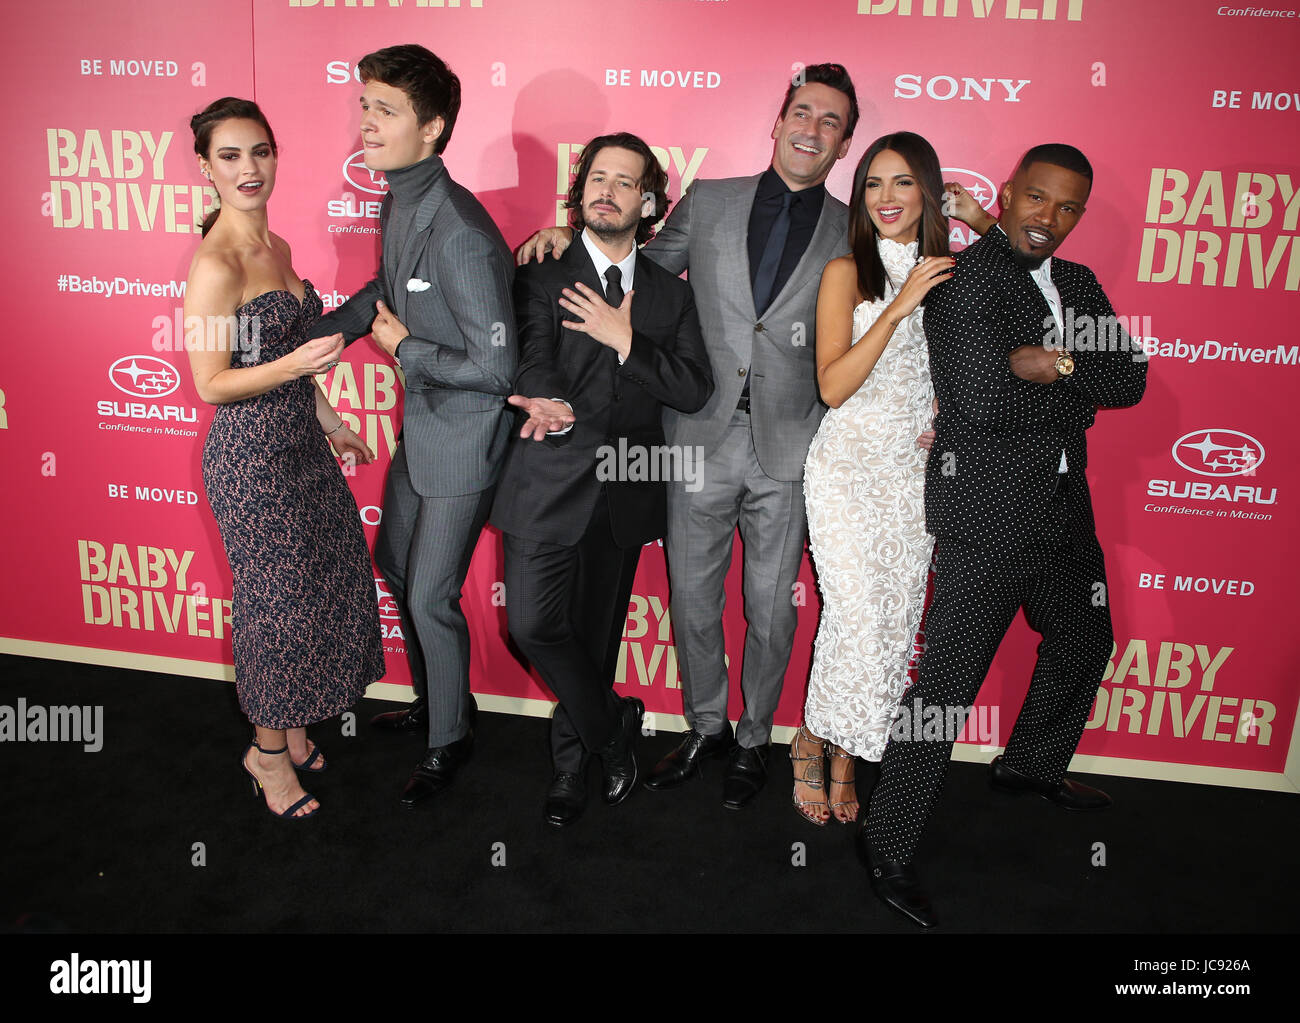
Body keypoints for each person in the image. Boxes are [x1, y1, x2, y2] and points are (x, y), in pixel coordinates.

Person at [519, 63, 858, 810]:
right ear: (777, 122)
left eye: (830, 121)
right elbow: (637, 267)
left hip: (791, 444)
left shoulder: (852, 228)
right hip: (695, 434)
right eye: (801, 112)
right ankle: (705, 724)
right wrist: (561, 235)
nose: (811, 129)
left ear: (844, 144)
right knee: (694, 597)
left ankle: (752, 736)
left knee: (770, 609)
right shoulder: (712, 200)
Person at [858, 144, 1148, 927]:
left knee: (1087, 635)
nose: (1047, 218)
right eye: (1037, 199)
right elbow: (984, 402)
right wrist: (1076, 387)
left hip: (1063, 502)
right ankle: (886, 844)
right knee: (944, 692)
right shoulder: (963, 279)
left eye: (1067, 208)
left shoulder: (1079, 283)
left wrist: (1052, 365)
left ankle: (1029, 766)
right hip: (986, 512)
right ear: (1009, 192)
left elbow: (1130, 378)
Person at [314, 44, 517, 808]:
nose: (366, 122)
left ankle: (449, 739)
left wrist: (403, 346)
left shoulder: (460, 229)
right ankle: (438, 705)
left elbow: (496, 370)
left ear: (431, 129)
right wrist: (328, 332)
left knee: (431, 594)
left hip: (463, 438)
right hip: (422, 424)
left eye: (386, 110)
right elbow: (384, 288)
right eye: (365, 105)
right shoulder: (400, 197)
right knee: (395, 565)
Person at [492, 133, 714, 827]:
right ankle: (614, 721)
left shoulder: (669, 299)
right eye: (597, 177)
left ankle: (570, 772)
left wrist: (628, 341)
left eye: (625, 181)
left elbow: (694, 387)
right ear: (578, 188)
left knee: (593, 640)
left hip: (623, 497)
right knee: (531, 625)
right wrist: (544, 398)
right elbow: (530, 354)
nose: (607, 190)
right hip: (544, 481)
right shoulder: (541, 271)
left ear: (648, 202)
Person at [184, 97, 384, 819]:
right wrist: (298, 361)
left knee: (323, 587)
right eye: (231, 156)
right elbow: (211, 382)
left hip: (302, 445)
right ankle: (266, 755)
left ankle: (293, 727)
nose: (249, 169)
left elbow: (291, 361)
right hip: (252, 461)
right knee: (281, 611)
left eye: (260, 152)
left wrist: (332, 421)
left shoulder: (279, 246)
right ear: (205, 166)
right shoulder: (217, 263)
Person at [794, 132, 957, 826]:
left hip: (912, 477)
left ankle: (846, 753)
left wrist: (949, 420)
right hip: (846, 469)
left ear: (927, 190)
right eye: (872, 185)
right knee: (854, 614)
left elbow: (971, 377)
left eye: (901, 183)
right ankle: (811, 742)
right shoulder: (845, 273)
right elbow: (833, 386)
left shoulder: (954, 274)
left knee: (889, 626)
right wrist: (896, 306)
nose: (886, 198)